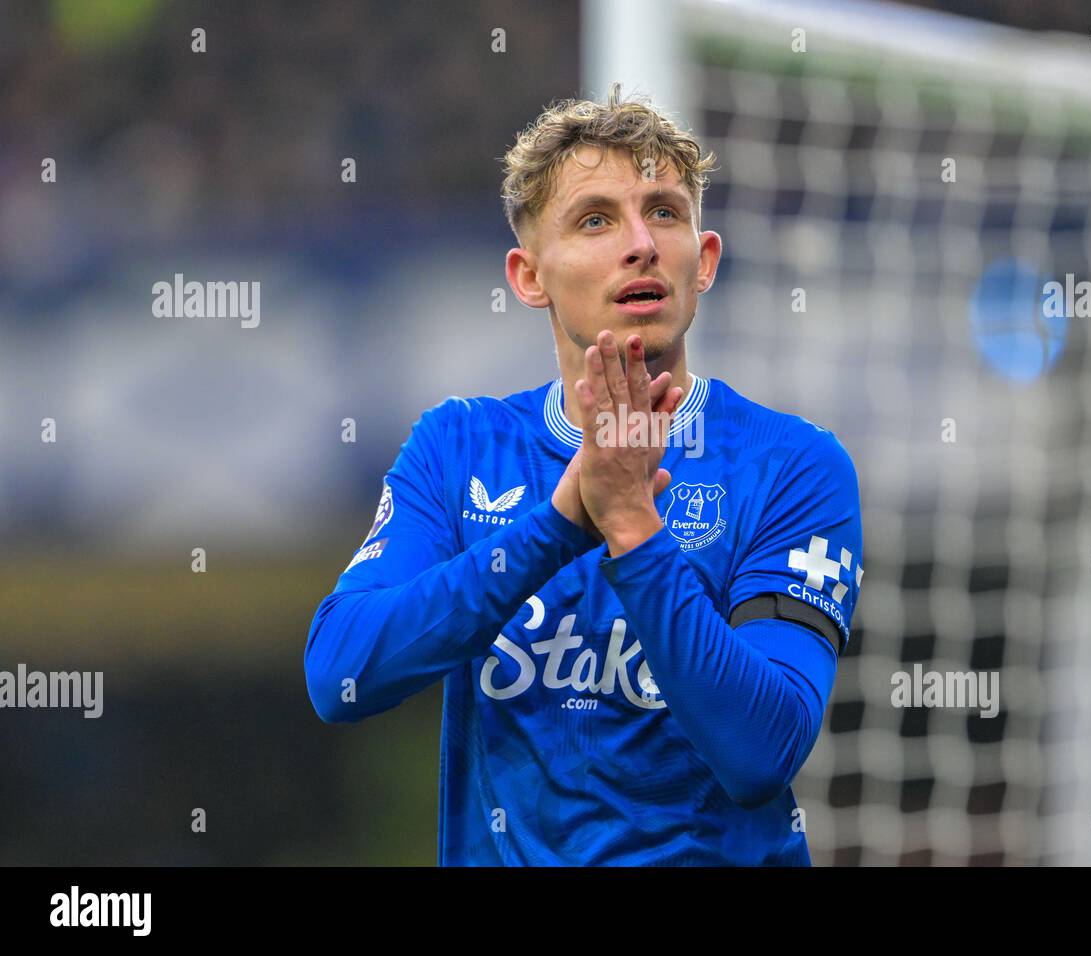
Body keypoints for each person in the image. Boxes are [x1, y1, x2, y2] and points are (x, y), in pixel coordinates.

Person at [305, 84, 863, 865]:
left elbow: (761, 752)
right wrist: (561, 523)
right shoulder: (459, 447)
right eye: (596, 219)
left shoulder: (792, 466)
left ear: (702, 263)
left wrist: (634, 526)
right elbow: (341, 675)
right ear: (528, 276)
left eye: (664, 212)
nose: (641, 243)